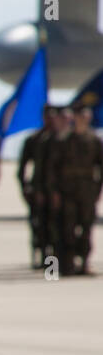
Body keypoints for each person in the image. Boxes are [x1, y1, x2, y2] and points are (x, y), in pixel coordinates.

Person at [47, 104, 103, 275]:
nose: (82, 119)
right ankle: (67, 264)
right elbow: (52, 169)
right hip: (67, 190)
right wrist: (54, 191)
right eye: (79, 116)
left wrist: (97, 191)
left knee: (86, 228)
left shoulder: (94, 140)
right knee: (67, 228)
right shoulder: (62, 140)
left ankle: (84, 263)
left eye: (84, 116)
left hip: (86, 190)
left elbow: (100, 167)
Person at [19, 106, 57, 268]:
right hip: (39, 190)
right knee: (39, 227)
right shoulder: (34, 140)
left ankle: (54, 262)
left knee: (56, 228)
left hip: (57, 191)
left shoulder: (61, 139)